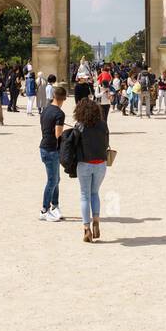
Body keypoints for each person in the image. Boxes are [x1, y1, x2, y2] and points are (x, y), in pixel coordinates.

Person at [72, 98, 111, 243]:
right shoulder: (103, 125)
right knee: (95, 193)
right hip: (100, 163)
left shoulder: (80, 126)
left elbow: (74, 146)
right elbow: (106, 143)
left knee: (84, 195)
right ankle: (96, 220)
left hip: (85, 163)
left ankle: (86, 228)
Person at [39, 85, 67, 222]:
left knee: (56, 179)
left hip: (44, 147)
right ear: (63, 99)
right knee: (52, 180)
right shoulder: (59, 114)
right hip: (51, 149)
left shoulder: (45, 110)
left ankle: (55, 206)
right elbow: (58, 134)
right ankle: (44, 210)